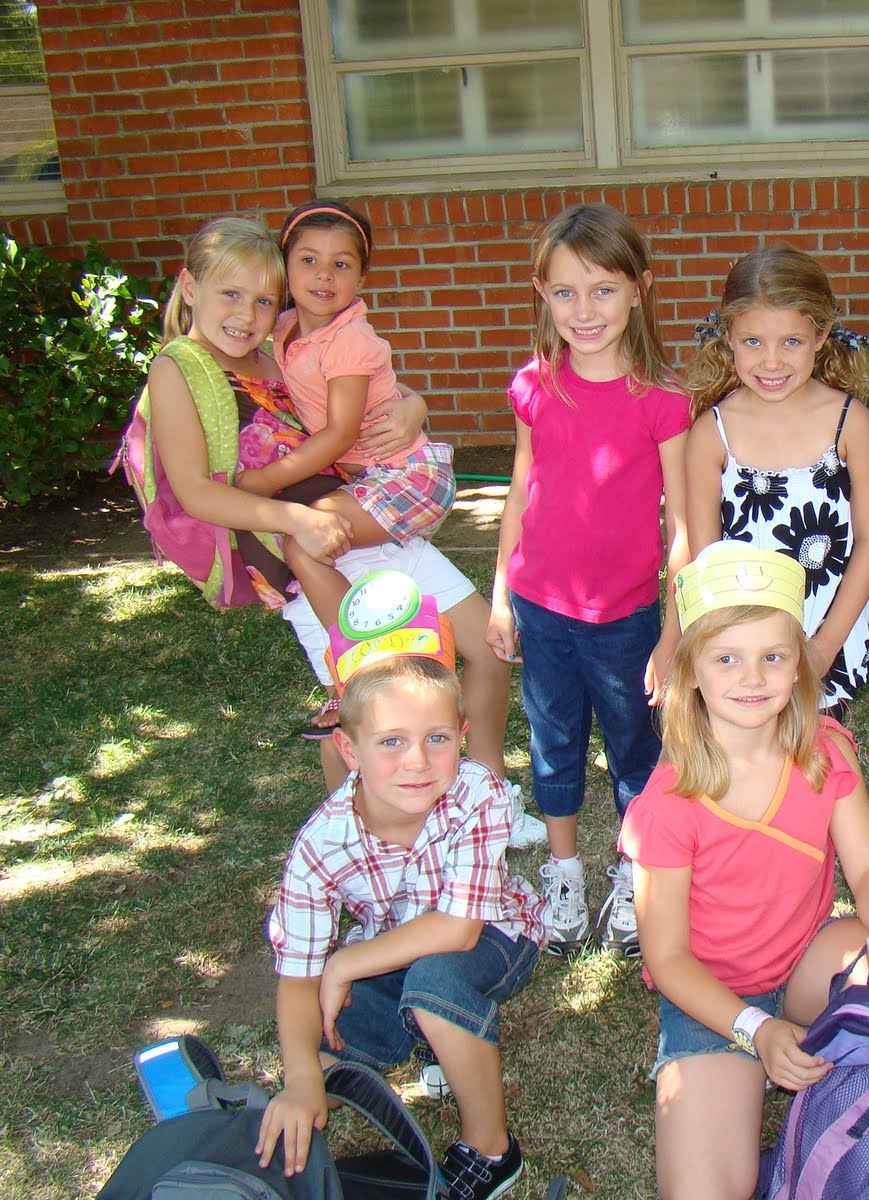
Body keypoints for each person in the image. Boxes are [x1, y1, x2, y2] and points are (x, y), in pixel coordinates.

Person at [144, 217, 536, 843]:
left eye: (263, 299)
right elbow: (196, 491)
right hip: (313, 551)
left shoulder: (275, 344)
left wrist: (414, 405)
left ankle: (488, 798)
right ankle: (364, 849)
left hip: (368, 520)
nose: (247, 313)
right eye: (231, 295)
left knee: (488, 651)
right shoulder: (180, 370)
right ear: (189, 287)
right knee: (367, 699)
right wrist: (293, 519)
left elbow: (361, 392)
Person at [619, 542, 869, 1200]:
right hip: (711, 1001)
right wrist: (757, 1029)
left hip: (803, 962)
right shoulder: (667, 804)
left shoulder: (823, 752)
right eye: (726, 658)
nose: (753, 677)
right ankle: (777, 1080)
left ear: (798, 665)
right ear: (690, 671)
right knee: (705, 1191)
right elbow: (668, 959)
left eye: (773, 656)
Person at [259, 587, 545, 1200]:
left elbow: (458, 930)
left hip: (495, 935)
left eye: (437, 738)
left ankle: (493, 1152)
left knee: (436, 986)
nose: (418, 761)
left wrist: (345, 961)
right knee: (319, 1044)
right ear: (347, 747)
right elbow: (297, 974)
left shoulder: (477, 795)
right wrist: (301, 1073)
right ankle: (413, 1044)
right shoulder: (319, 845)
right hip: (391, 948)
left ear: (463, 734)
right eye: (390, 741)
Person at [488, 203, 691, 958]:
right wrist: (503, 593)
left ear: (639, 289)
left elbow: (683, 530)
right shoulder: (534, 387)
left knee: (636, 752)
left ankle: (636, 875)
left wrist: (672, 633)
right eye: (565, 292)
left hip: (629, 620)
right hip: (542, 610)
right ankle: (565, 871)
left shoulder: (663, 399)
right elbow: (521, 490)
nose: (584, 310)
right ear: (542, 293)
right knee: (554, 744)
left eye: (602, 290)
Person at [228, 200, 458, 640]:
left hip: (408, 477)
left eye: (341, 264)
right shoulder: (285, 326)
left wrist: (265, 480)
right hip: (373, 478)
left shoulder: (348, 340)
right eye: (309, 260)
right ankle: (369, 646)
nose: (323, 275)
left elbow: (340, 433)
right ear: (285, 266)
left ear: (361, 278)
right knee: (314, 541)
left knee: (305, 542)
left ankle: (357, 658)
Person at [683, 246, 869, 717]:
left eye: (791, 342)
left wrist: (823, 647)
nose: (771, 362)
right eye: (753, 341)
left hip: (826, 631)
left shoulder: (849, 423)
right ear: (728, 336)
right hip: (743, 646)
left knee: (818, 760)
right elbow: (704, 559)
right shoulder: (712, 432)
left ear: (821, 335)